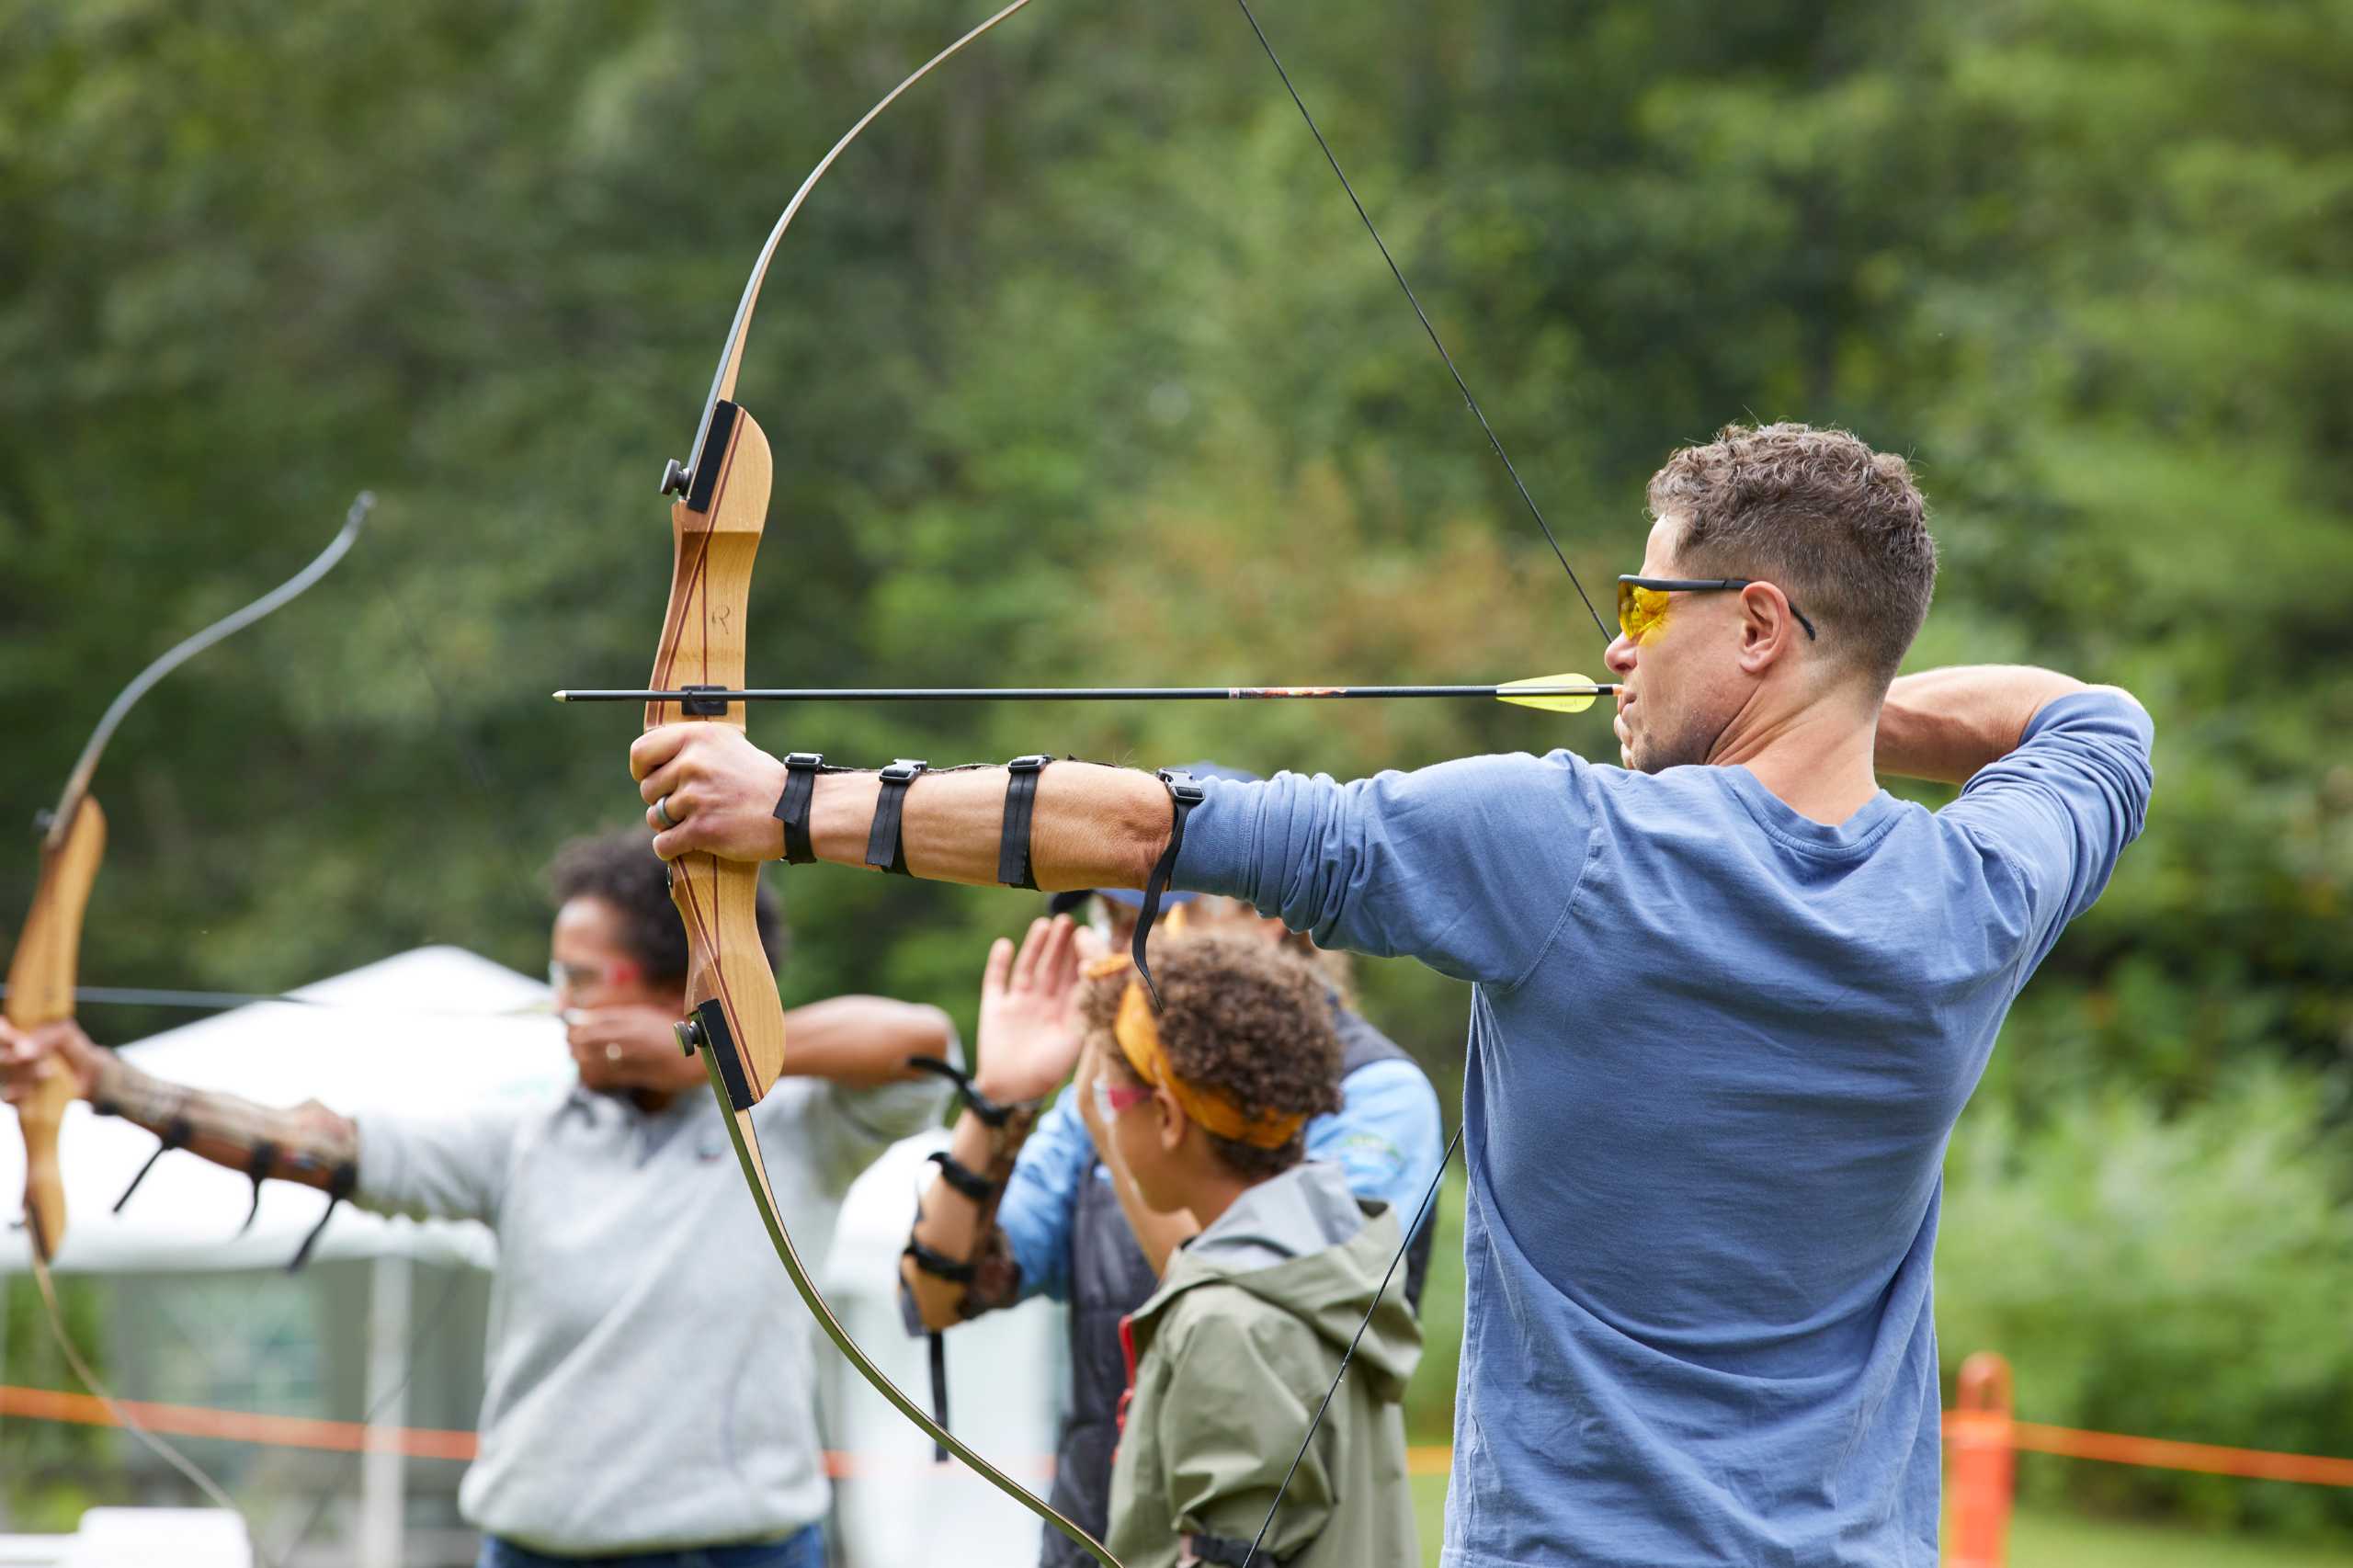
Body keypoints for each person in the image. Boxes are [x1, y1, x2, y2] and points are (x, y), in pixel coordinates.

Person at [629, 420, 2156, 1565]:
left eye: (1643, 613)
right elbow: (2093, 721)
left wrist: (788, 805)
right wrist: (1847, 716)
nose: (1614, 654)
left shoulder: (1570, 847)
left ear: (1757, 626)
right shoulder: (1981, 894)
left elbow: (1158, 828)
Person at [1, 831, 956, 1568]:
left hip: (740, 1548)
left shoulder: (789, 1125)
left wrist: (698, 1046)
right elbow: (319, 1146)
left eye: (581, 979)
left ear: (677, 983)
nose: (561, 1003)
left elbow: (922, 1039)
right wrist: (104, 1080)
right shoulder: (528, 1134)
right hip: (537, 1547)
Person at [898, 886, 1442, 1567]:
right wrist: (1001, 1096)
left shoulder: (1377, 1089)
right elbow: (936, 1294)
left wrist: (1114, 1116)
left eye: (1156, 916)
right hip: (1098, 1524)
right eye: (1115, 920)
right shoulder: (1119, 1073)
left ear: (1269, 914)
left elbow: (1276, 1314)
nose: (1129, 946)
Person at [1082, 928, 1418, 1568]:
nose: (1103, 1118)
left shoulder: (1228, 1323)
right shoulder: (1329, 1250)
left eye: (1109, 1099)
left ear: (1168, 1118)